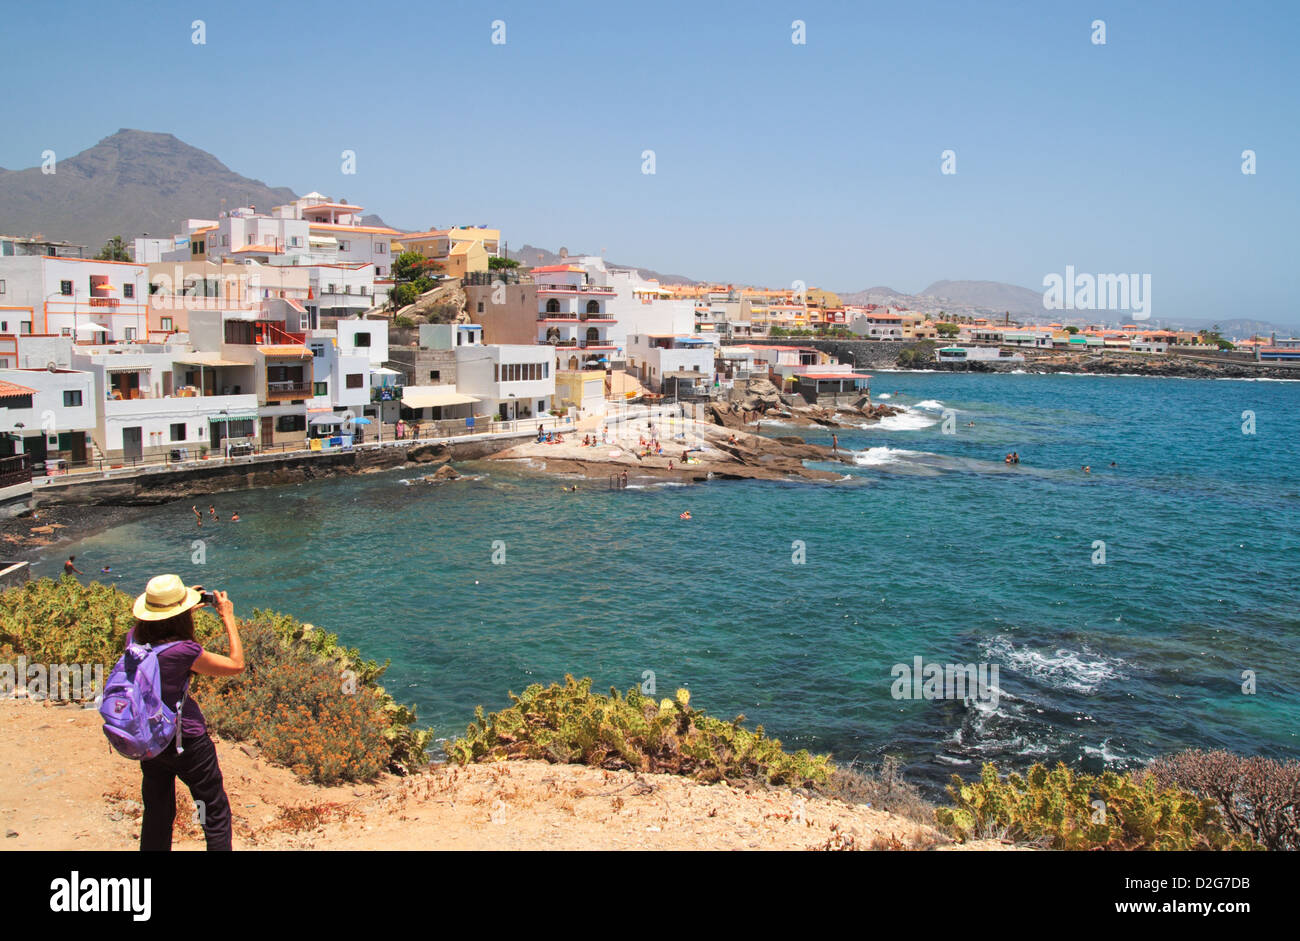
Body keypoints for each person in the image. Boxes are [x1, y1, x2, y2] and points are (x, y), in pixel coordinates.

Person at [130, 575, 245, 851]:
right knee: (214, 814)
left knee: (157, 813)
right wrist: (227, 617)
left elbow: (157, 631)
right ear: (179, 615)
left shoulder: (133, 639)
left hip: (151, 738)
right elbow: (236, 664)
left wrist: (183, 608)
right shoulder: (184, 651)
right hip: (187, 741)